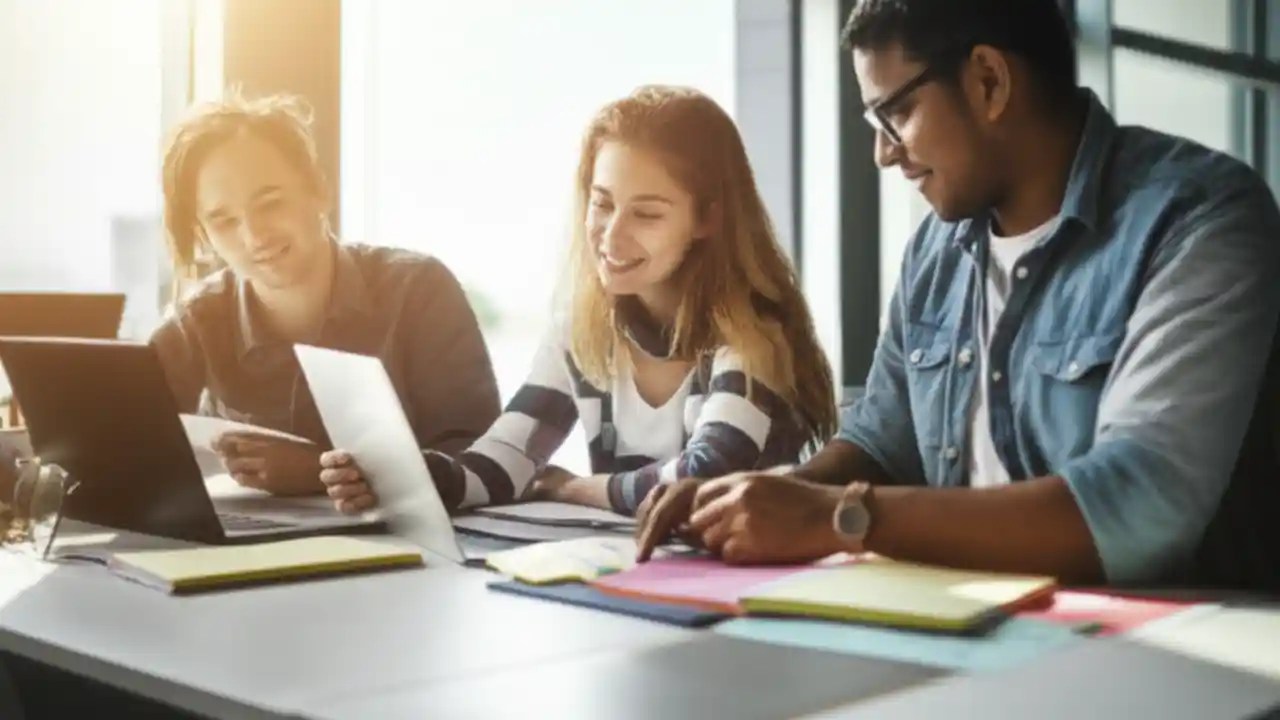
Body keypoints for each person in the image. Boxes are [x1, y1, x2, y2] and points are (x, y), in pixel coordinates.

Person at [636, 0, 1280, 591]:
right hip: (968, 628)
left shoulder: (1199, 219)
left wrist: (840, 516)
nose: (884, 154)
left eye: (896, 114)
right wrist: (755, 498)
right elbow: (880, 445)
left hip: (1170, 663)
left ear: (989, 82)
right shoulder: (936, 252)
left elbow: (1139, 506)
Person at [319, 85, 838, 517]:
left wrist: (576, 489)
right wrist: (410, 474)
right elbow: (505, 462)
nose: (611, 237)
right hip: (634, 581)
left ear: (707, 220)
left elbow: (706, 478)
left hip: (738, 589)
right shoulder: (582, 329)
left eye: (647, 214)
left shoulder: (753, 333)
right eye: (602, 204)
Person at [151, 92, 501, 496]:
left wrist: (324, 471)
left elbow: (480, 461)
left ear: (319, 190)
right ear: (204, 235)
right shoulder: (199, 317)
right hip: (254, 551)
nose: (254, 236)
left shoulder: (417, 290)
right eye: (225, 221)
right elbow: (125, 436)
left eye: (271, 204)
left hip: (414, 548)